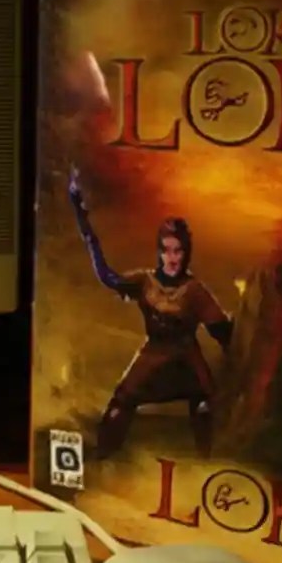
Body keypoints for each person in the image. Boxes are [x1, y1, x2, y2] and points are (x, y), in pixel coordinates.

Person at [69, 168, 234, 459]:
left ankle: (207, 465)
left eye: (178, 251)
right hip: (153, 355)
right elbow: (108, 277)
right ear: (159, 252)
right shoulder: (144, 281)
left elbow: (222, 332)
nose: (172, 258)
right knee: (119, 406)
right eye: (167, 250)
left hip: (186, 358)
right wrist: (85, 225)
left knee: (204, 405)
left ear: (186, 253)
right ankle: (103, 461)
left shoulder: (195, 290)